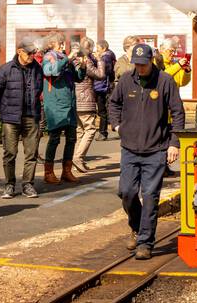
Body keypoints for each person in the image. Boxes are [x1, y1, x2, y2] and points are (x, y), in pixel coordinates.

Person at [107, 43, 183, 260]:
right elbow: (114, 105)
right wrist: (117, 126)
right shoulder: (125, 80)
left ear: (151, 61)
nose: (140, 68)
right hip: (129, 147)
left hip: (156, 149)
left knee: (150, 196)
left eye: (143, 64)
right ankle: (137, 226)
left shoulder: (165, 81)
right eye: (136, 64)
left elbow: (177, 114)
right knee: (127, 192)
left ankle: (145, 242)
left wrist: (174, 144)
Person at [0, 41, 43, 198]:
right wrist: (5, 112)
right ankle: (9, 184)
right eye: (28, 53)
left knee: (31, 153)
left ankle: (28, 184)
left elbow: (39, 89)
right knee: (10, 153)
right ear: (19, 51)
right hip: (11, 118)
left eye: (33, 53)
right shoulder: (6, 69)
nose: (31, 56)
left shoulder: (37, 69)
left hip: (31, 116)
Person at [41, 36, 83, 185]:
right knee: (54, 139)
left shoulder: (64, 58)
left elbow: (78, 78)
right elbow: (51, 71)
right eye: (59, 43)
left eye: (62, 42)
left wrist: (81, 67)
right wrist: (68, 59)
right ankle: (48, 172)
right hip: (56, 104)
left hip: (69, 104)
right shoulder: (48, 58)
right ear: (51, 44)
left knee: (72, 138)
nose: (62, 45)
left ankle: (67, 171)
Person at [72, 38, 104, 173]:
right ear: (89, 48)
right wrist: (100, 60)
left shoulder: (74, 59)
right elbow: (100, 75)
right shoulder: (87, 60)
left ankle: (77, 160)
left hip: (75, 99)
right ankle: (78, 158)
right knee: (90, 129)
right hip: (86, 100)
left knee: (80, 131)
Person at [93, 39, 116, 140]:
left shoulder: (105, 58)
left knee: (102, 110)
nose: (97, 50)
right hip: (103, 85)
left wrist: (98, 60)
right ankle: (103, 131)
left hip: (102, 86)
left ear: (104, 48)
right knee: (103, 110)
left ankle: (103, 132)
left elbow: (105, 71)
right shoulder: (108, 56)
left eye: (98, 48)